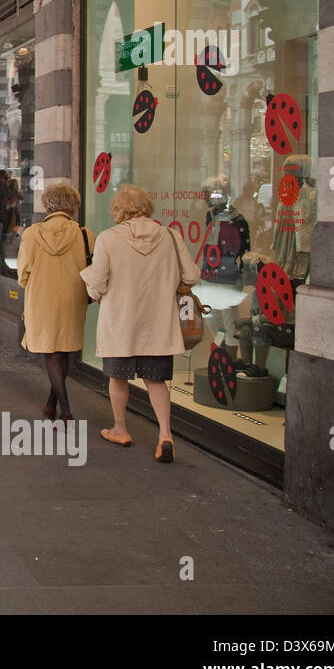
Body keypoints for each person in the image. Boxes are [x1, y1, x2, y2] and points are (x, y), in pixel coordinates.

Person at [81, 183, 201, 464]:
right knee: (155, 380)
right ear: (147, 208)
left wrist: (95, 293)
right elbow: (192, 275)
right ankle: (165, 434)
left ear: (118, 210)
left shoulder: (108, 239)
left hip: (121, 321)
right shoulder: (171, 236)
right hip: (159, 322)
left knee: (118, 377)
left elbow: (96, 283)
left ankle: (120, 429)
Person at [17, 183, 94, 422]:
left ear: (47, 204)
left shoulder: (32, 233)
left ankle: (66, 410)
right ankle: (52, 404)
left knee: (50, 353)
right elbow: (93, 268)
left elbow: (22, 274)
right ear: (73, 205)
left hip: (41, 298)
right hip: (73, 298)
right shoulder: (84, 234)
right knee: (64, 351)